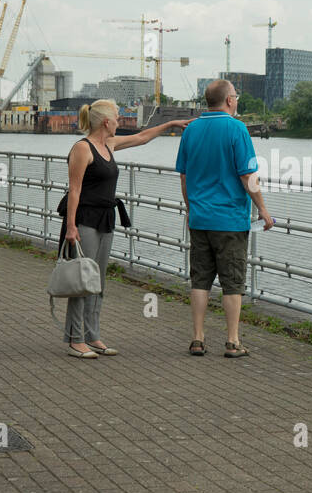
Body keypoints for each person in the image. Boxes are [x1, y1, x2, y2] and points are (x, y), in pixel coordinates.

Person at [60, 100, 191, 359]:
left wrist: (171, 124)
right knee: (81, 278)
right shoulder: (82, 149)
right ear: (106, 122)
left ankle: (92, 335)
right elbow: (74, 190)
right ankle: (76, 339)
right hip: (84, 218)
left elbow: (142, 137)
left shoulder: (108, 145)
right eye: (118, 118)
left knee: (98, 279)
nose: (120, 121)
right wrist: (71, 227)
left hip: (106, 217)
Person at [175, 79, 273, 357]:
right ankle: (232, 341)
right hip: (230, 220)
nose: (237, 100)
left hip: (200, 219)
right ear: (229, 100)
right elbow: (247, 176)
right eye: (236, 96)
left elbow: (184, 175)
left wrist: (190, 207)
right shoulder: (237, 129)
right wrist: (263, 209)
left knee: (200, 280)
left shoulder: (191, 130)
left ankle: (197, 338)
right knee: (233, 283)